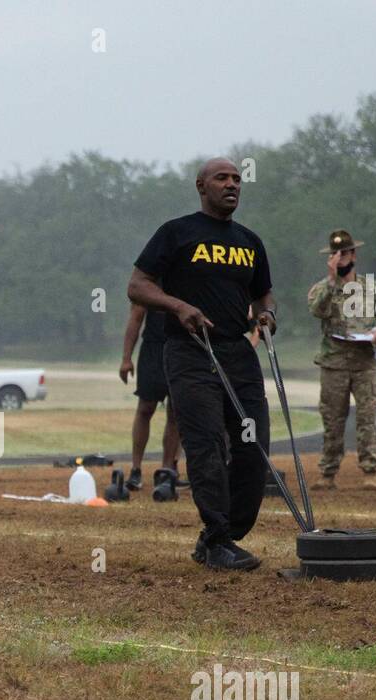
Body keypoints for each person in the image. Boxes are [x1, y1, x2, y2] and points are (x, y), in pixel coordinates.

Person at [127, 158, 277, 571]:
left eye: (237, 180)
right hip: (190, 351)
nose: (232, 185)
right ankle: (216, 537)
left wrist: (267, 316)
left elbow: (264, 295)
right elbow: (136, 286)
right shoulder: (176, 233)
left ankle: (226, 535)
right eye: (222, 179)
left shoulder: (250, 241)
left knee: (253, 446)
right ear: (201, 186)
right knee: (206, 442)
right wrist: (178, 306)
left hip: (237, 353)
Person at [307, 230, 376, 490]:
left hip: (363, 364)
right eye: (335, 254)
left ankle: (370, 471)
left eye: (345, 253)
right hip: (333, 363)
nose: (341, 258)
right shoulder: (322, 288)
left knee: (367, 418)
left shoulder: (372, 288)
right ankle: (328, 473)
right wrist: (332, 280)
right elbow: (317, 310)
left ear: (354, 255)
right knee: (332, 419)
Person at [118, 302, 182, 489]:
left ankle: (167, 470)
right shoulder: (150, 278)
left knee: (176, 412)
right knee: (146, 408)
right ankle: (136, 469)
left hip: (181, 346)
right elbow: (136, 317)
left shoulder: (188, 274)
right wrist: (126, 358)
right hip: (153, 348)